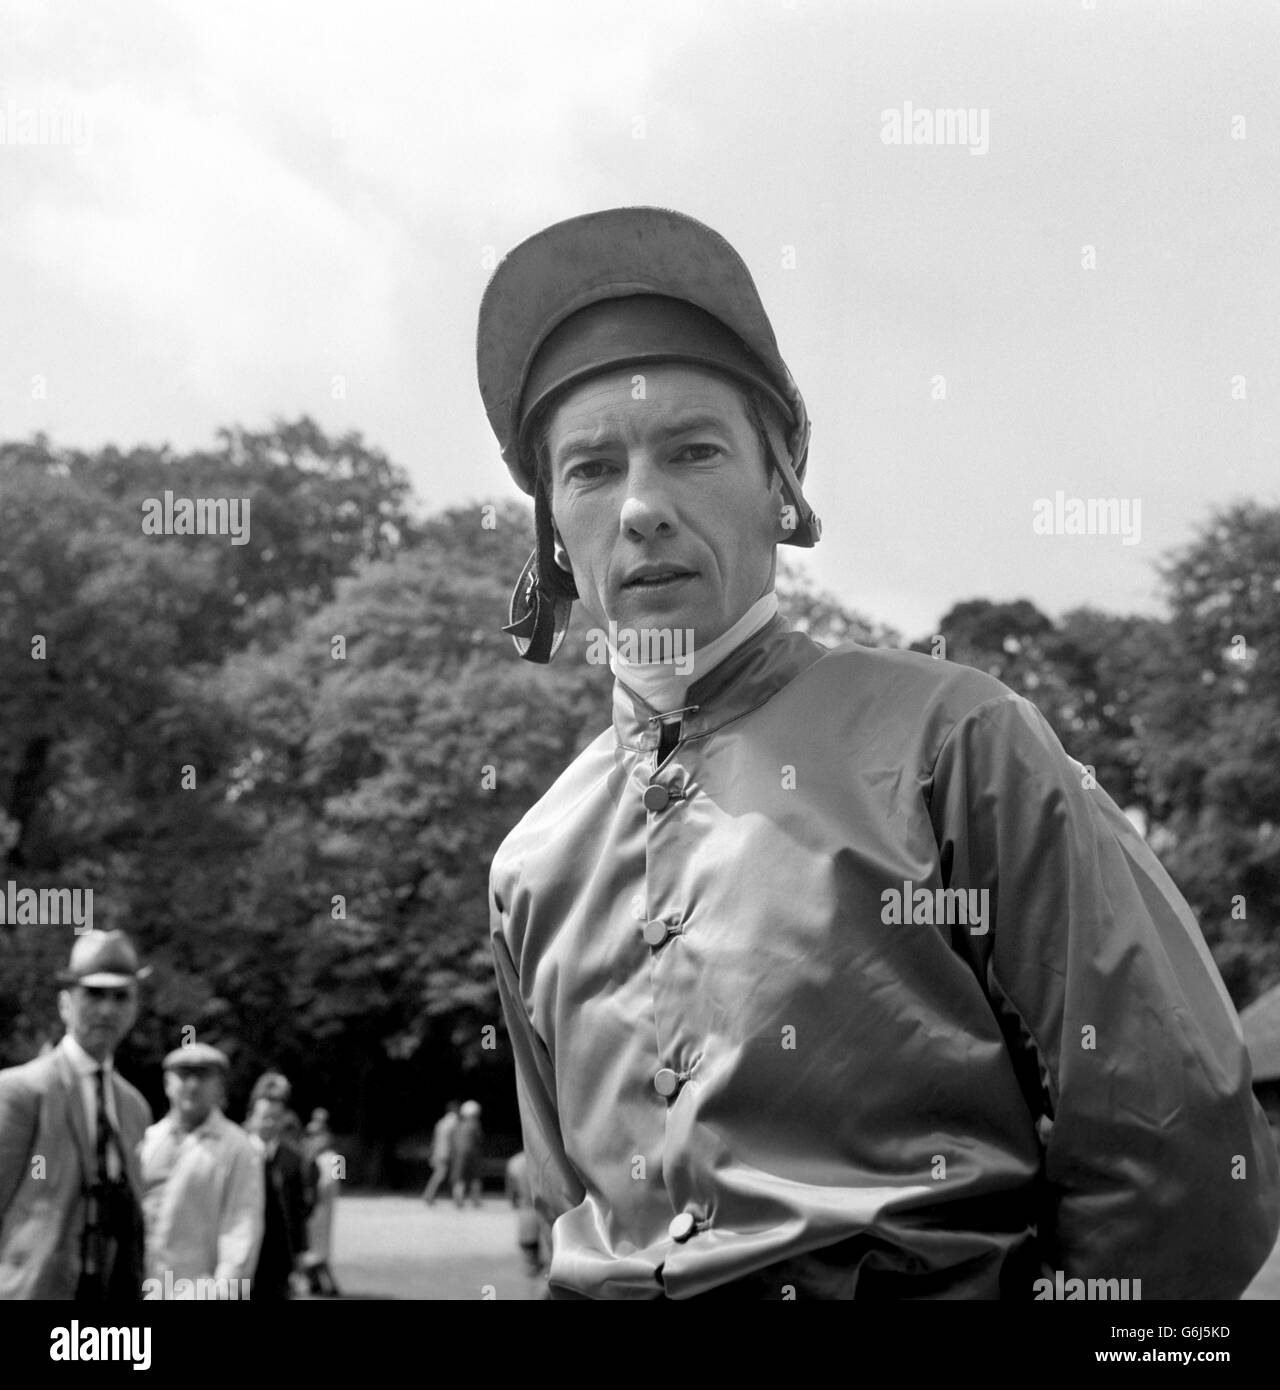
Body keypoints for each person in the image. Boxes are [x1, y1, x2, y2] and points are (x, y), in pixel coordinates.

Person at [476, 206, 1280, 1300]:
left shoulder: (956, 741)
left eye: (692, 450)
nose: (642, 507)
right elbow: (564, 1197)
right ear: (550, 536)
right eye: (590, 469)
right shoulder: (530, 866)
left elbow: (1173, 1129)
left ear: (782, 481)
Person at [0, 930, 152, 1300]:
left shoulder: (134, 1107)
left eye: (121, 997)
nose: (107, 1010)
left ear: (135, 1006)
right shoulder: (22, 1091)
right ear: (65, 1002)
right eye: (94, 994)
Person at [139, 1042, 263, 1299]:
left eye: (204, 1077)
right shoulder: (149, 1139)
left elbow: (241, 1229)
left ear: (220, 1086)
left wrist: (223, 1291)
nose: (193, 1085)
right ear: (167, 1083)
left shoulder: (237, 1148)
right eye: (184, 1076)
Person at [244, 1084, 309, 1299]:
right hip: (242, 1253)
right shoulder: (238, 1154)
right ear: (252, 1117)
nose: (269, 1123)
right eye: (264, 1116)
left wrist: (299, 1256)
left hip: (279, 1256)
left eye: (276, 1117)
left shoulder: (293, 1159)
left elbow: (299, 1210)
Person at [299, 1109, 341, 1297]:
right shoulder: (308, 1157)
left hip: (322, 1209)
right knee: (311, 1248)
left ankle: (327, 1284)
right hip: (312, 1209)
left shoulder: (335, 1158)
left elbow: (333, 1182)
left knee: (318, 1249)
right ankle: (314, 1283)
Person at [505, 1150, 545, 1277]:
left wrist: (512, 1200)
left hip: (526, 1207)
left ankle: (532, 1267)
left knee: (528, 1244)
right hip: (546, 1208)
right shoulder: (542, 1157)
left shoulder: (515, 1162)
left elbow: (511, 1188)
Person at [421, 1099, 459, 1204]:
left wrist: (432, 1152)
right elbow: (453, 1138)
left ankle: (429, 1195)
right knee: (444, 1174)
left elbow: (434, 1139)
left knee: (440, 1174)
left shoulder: (441, 1122)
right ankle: (429, 1195)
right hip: (448, 1152)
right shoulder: (454, 1121)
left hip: (438, 1151)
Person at [450, 1100, 483, 1208]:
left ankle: (458, 1199)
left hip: (459, 1154)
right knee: (475, 1177)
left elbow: (453, 1140)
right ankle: (476, 1200)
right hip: (472, 1154)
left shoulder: (459, 1125)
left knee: (459, 1177)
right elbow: (479, 1139)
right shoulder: (475, 1124)